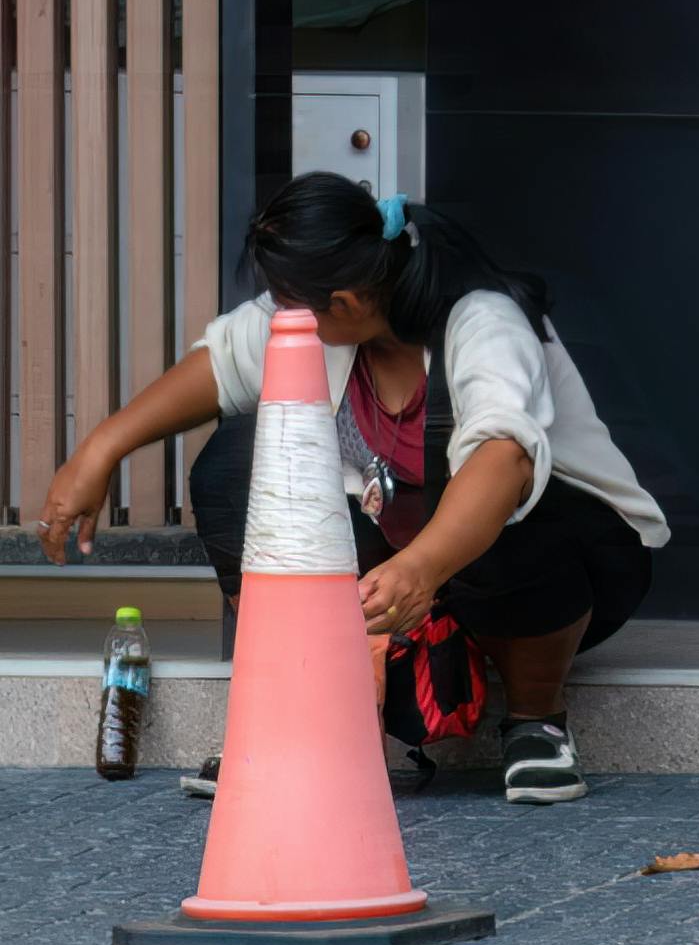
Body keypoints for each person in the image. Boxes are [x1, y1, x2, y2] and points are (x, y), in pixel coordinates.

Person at [33, 174, 664, 806]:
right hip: (415, 567)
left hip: (562, 562)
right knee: (234, 462)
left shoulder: (483, 320)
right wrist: (101, 449)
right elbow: (222, 362)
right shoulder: (325, 321)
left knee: (511, 494)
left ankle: (536, 722)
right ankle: (303, 716)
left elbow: (504, 458)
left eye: (289, 299)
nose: (279, 312)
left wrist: (419, 568)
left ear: (350, 300)